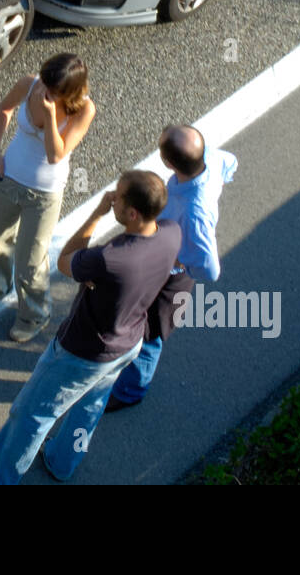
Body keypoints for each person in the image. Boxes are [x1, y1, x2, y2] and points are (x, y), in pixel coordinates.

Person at [0, 170, 181, 484]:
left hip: (83, 352)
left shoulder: (110, 259)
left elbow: (66, 259)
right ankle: (62, 463)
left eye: (118, 195)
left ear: (132, 212)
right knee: (90, 407)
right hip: (128, 344)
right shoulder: (171, 232)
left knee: (31, 414)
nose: (112, 197)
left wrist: (97, 215)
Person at [105, 125, 238, 411]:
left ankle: (131, 391)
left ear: (168, 163)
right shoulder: (210, 159)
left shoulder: (194, 212)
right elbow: (231, 163)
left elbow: (210, 269)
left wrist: (179, 263)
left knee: (149, 333)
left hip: (170, 278)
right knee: (137, 322)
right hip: (160, 260)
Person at [0, 53, 95, 342]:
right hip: (7, 178)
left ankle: (34, 315)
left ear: (71, 92)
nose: (43, 91)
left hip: (44, 193)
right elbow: (4, 109)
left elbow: (56, 154)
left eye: (53, 90)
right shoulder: (30, 84)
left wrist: (52, 116)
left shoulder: (84, 110)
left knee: (31, 260)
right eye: (44, 83)